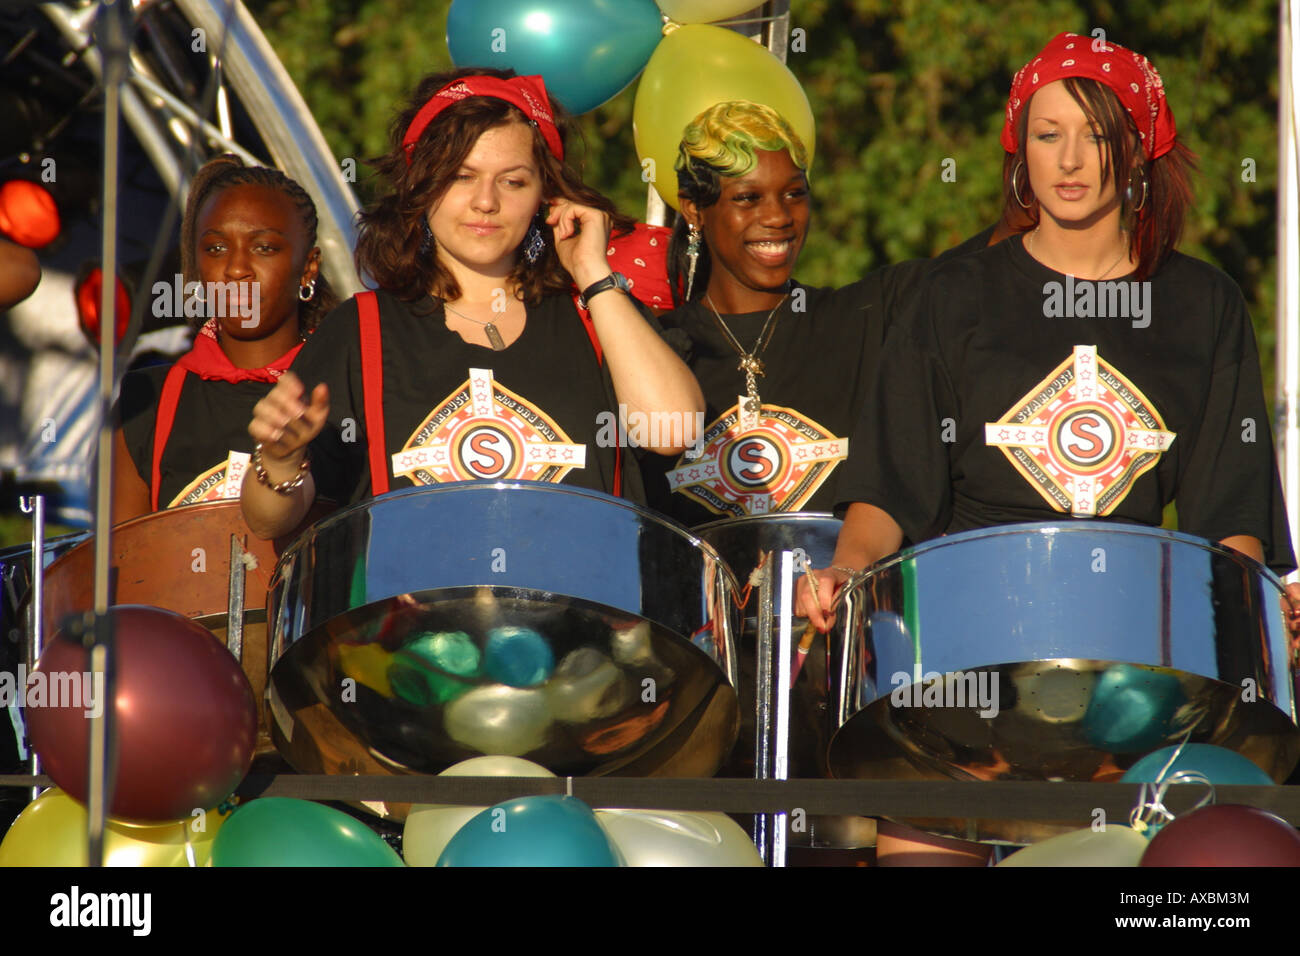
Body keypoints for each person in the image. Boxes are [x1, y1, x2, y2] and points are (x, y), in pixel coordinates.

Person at [798, 32, 1298, 863]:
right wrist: (847, 571)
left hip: (1134, 693)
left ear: (1139, 149)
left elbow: (1229, 515)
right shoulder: (950, 296)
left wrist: (1258, 614)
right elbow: (890, 488)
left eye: (1097, 135)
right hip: (959, 682)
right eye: (1045, 133)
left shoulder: (1203, 303)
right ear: (1016, 148)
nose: (1069, 160)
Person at [241, 68, 703, 539]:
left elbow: (673, 431)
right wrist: (278, 461)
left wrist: (592, 273)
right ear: (422, 185)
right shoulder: (361, 328)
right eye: (463, 176)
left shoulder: (596, 315)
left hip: (587, 610)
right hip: (412, 612)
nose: (486, 202)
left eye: (514, 182)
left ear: (547, 194)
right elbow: (265, 521)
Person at [643, 101, 929, 525]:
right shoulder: (651, 353)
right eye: (748, 198)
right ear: (693, 210)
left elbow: (990, 262)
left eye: (794, 194)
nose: (778, 216)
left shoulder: (871, 315)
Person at [113, 155, 337, 524]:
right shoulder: (145, 400)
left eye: (263, 247)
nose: (235, 269)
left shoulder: (347, 383)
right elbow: (117, 567)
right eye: (216, 248)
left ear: (308, 266)